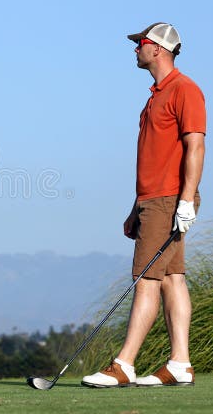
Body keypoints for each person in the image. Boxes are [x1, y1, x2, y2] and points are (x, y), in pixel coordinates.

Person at [81, 22, 206, 388]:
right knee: (172, 278)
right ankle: (180, 363)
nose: (135, 49)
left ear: (159, 50)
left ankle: (124, 365)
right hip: (155, 201)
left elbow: (195, 146)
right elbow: (154, 157)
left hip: (169, 199)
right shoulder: (155, 96)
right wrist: (137, 208)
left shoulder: (185, 90)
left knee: (146, 280)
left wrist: (185, 200)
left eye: (141, 43)